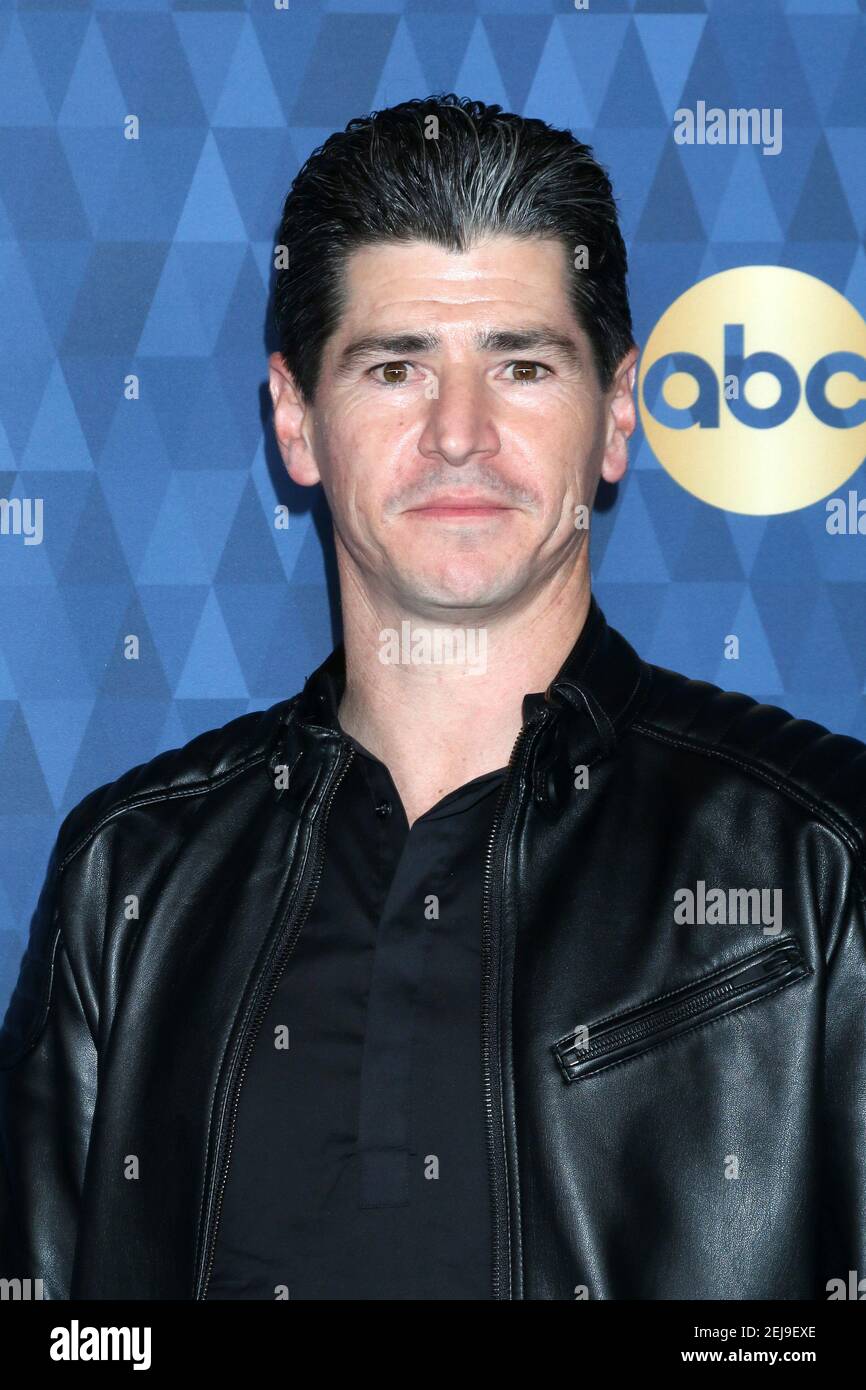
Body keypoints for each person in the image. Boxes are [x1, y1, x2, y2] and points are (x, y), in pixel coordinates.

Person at [1, 94, 864, 1301]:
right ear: (296, 420)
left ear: (616, 414)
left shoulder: (823, 854)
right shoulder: (131, 871)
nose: (459, 434)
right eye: (395, 366)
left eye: (519, 363)